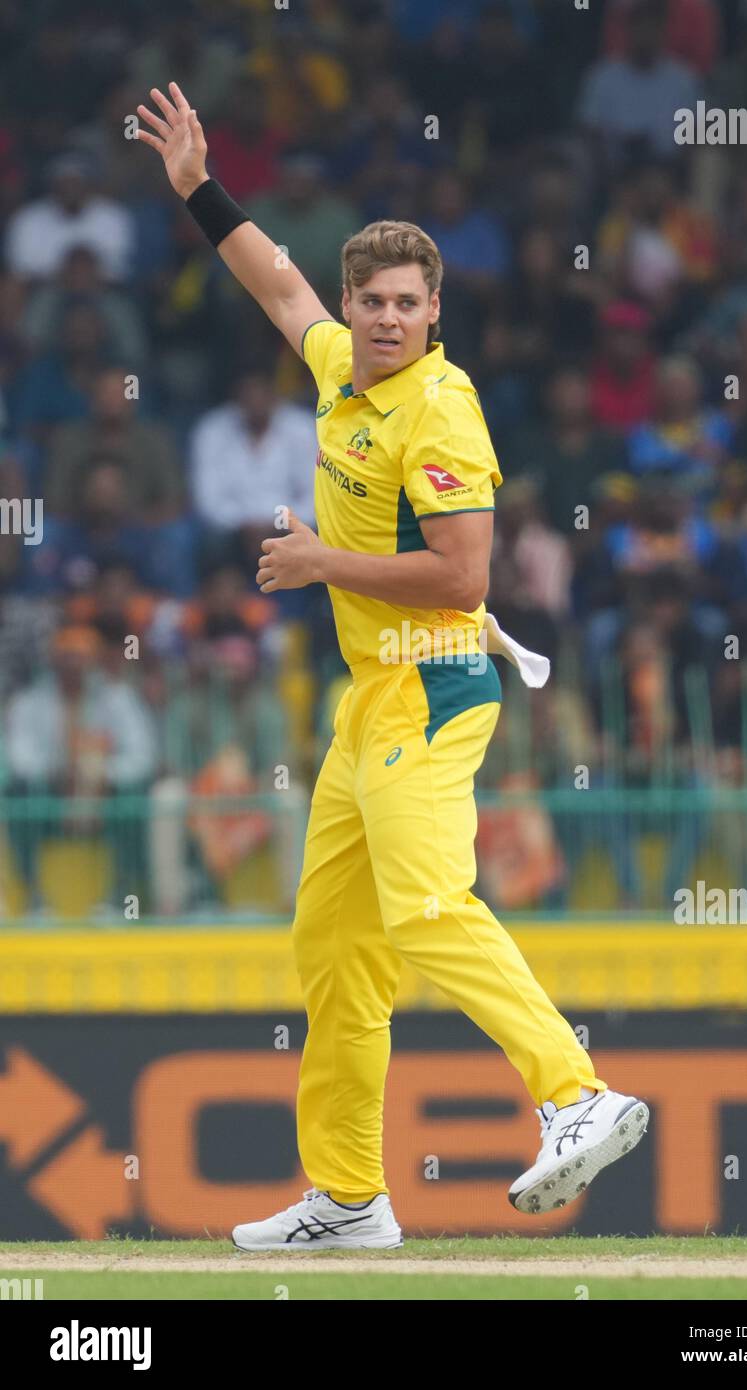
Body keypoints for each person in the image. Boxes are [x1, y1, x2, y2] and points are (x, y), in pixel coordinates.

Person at [137, 80, 649, 1251]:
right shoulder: (338, 373)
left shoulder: (438, 410)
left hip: (434, 676)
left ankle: (577, 1093)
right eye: (368, 300)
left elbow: (467, 578)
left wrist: (321, 561)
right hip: (368, 699)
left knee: (425, 906)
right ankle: (352, 1199)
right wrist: (197, 190)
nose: (379, 320)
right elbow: (275, 281)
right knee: (333, 952)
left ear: (432, 313)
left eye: (404, 304)